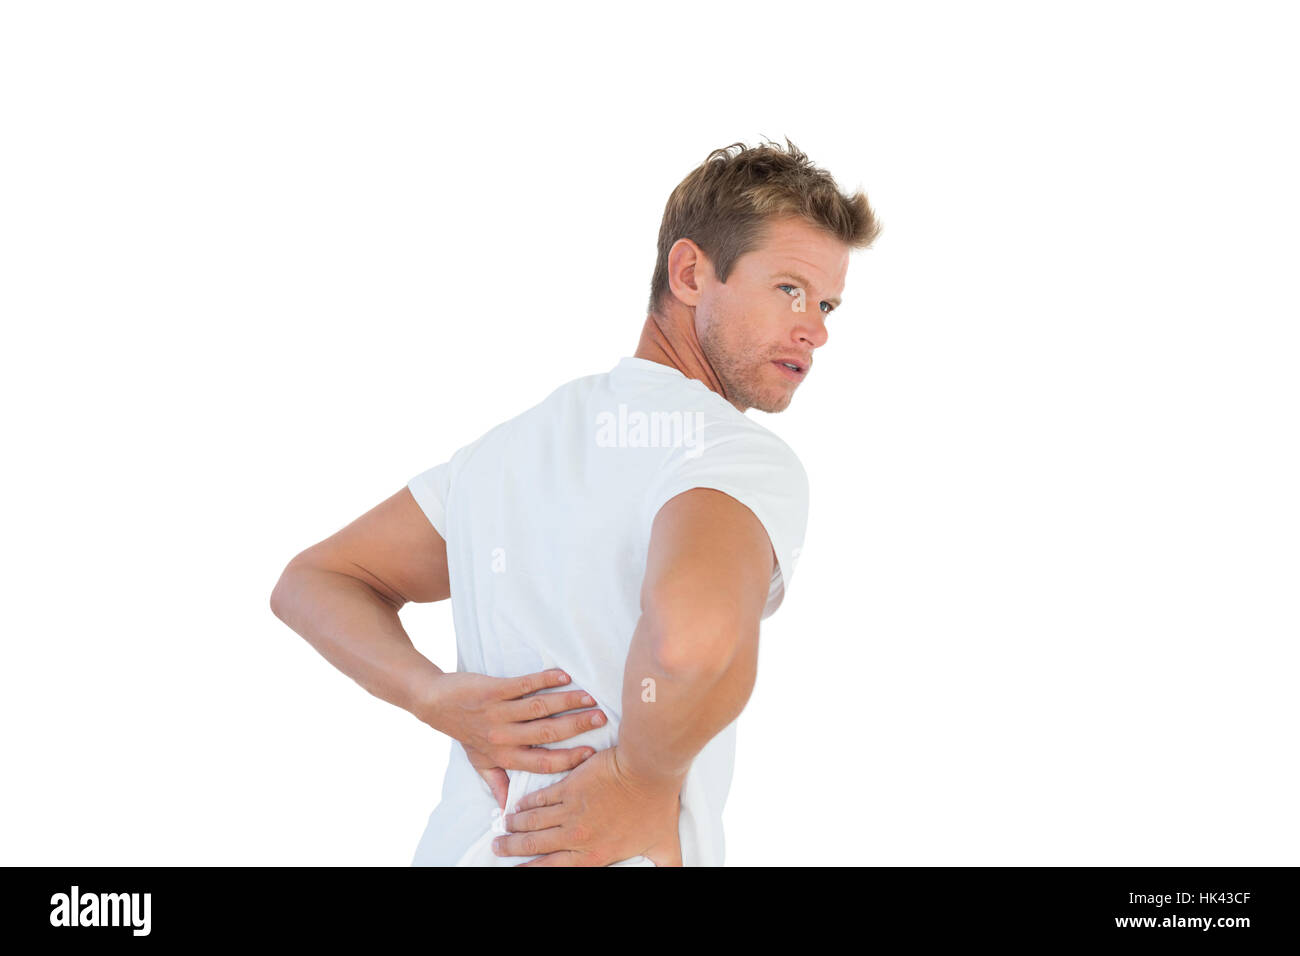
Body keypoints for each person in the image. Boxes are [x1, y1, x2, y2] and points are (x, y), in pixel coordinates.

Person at [270, 137, 880, 865]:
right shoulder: (732, 455)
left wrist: (431, 693)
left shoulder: (505, 453)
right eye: (788, 288)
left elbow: (314, 581)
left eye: (827, 303)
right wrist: (640, 778)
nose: (815, 327)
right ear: (690, 273)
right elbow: (691, 643)